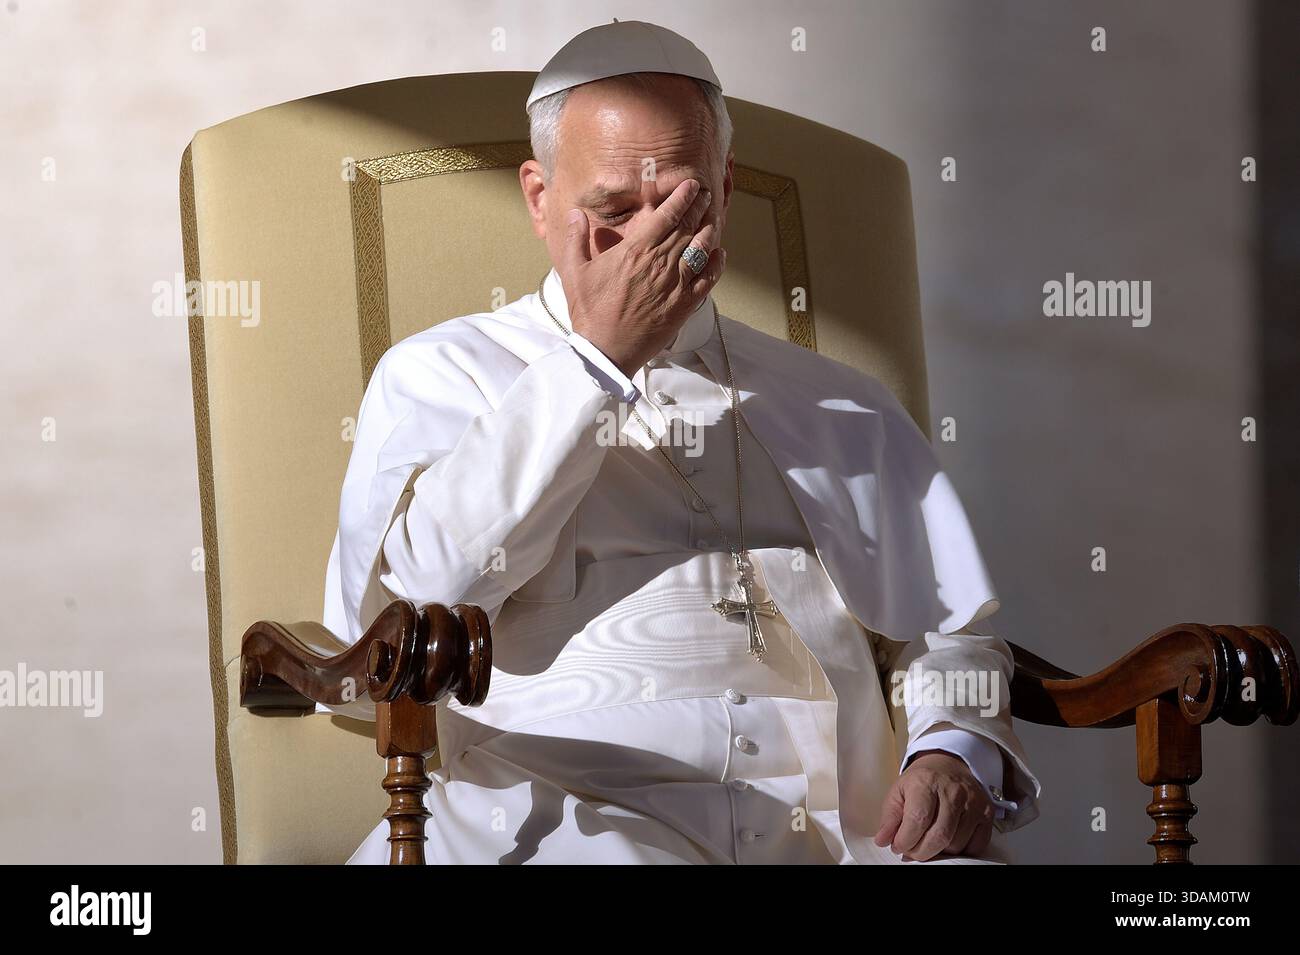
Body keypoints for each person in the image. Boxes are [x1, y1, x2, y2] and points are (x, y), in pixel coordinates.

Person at [322, 19, 1040, 864]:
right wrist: (596, 360)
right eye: (614, 211)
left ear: (725, 187)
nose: (649, 243)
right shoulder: (442, 373)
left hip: (843, 836)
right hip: (568, 821)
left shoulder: (839, 401)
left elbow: (947, 628)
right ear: (539, 196)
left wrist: (950, 749)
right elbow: (402, 615)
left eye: (679, 204)